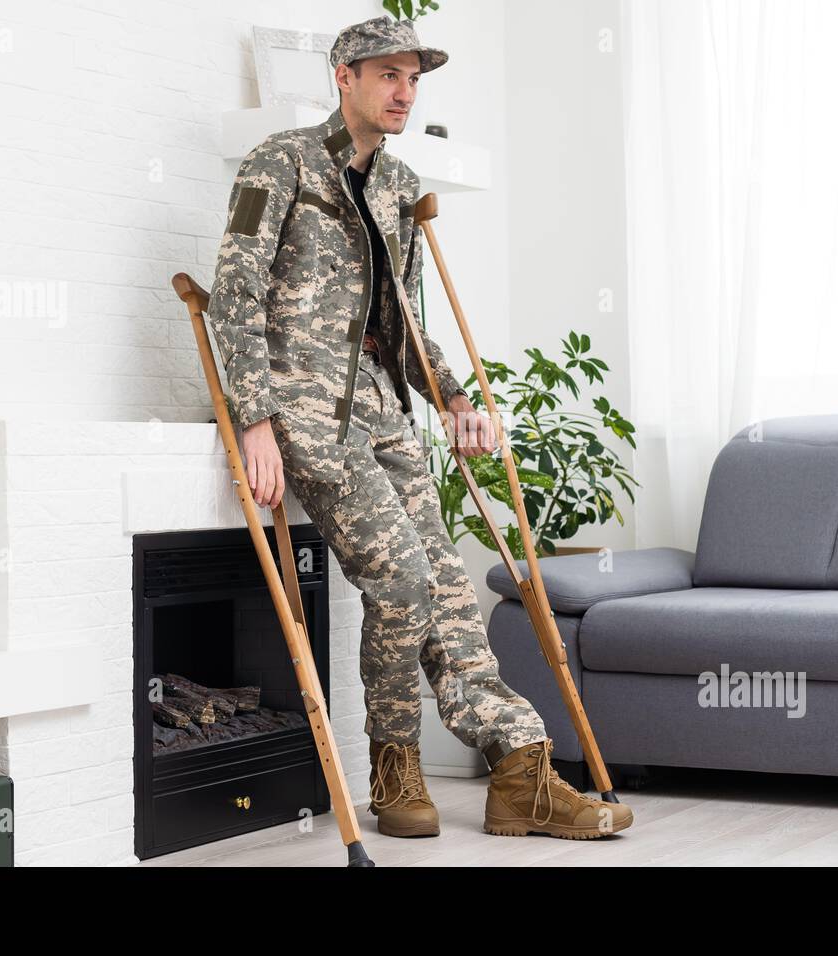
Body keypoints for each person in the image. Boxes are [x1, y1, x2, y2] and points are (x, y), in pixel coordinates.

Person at [206, 14, 633, 841]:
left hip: (386, 415)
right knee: (400, 581)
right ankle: (394, 761)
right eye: (388, 75)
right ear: (345, 77)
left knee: (447, 591)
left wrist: (456, 401)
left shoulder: (398, 184)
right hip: (308, 415)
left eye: (414, 79)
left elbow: (402, 322)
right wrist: (252, 418)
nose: (404, 92)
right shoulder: (278, 164)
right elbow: (235, 293)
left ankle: (520, 772)